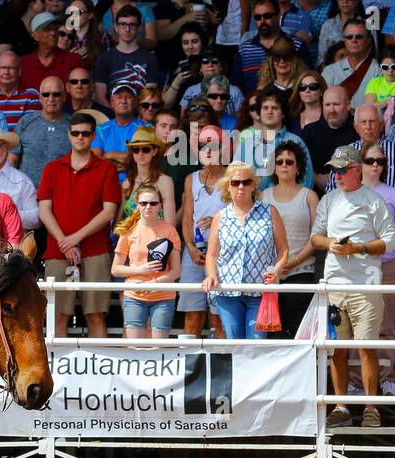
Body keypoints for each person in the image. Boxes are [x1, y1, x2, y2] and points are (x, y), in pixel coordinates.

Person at [312, 146, 395, 429]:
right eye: (333, 170)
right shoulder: (329, 199)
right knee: (337, 348)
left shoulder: (374, 200)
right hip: (335, 284)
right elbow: (316, 238)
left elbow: (392, 240)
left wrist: (358, 247)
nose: (335, 175)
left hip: (366, 286)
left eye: (341, 170)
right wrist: (331, 244)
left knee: (366, 348)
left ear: (357, 169)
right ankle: (341, 406)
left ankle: (371, 408)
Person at [38, 112, 120, 338]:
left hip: (95, 250)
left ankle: (100, 371)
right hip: (57, 251)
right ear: (69, 135)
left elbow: (109, 212)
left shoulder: (106, 169)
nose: (80, 138)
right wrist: (66, 242)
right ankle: (57, 372)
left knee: (96, 315)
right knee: (58, 316)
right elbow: (44, 210)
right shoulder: (52, 168)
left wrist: (74, 239)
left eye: (85, 133)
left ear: (94, 135)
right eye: (75, 133)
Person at [350, 141, 395, 397]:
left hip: (387, 264)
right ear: (360, 164)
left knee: (385, 327)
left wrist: (383, 223)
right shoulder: (350, 193)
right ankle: (355, 383)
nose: (376, 166)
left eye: (380, 162)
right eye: (370, 161)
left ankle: (388, 380)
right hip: (357, 265)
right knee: (357, 326)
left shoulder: (394, 194)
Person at [202, 161, 289, 339]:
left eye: (246, 182)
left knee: (256, 344)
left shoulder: (270, 212)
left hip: (259, 291)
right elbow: (211, 255)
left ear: (253, 185)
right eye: (235, 182)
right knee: (234, 344)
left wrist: (276, 271)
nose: (240, 186)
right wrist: (211, 276)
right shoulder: (220, 217)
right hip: (227, 291)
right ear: (228, 186)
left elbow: (283, 249)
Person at [260, 142, 319, 339]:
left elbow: (315, 237)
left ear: (298, 167)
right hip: (268, 275)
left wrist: (294, 262)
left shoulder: (309, 196)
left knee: (296, 333)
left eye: (289, 161)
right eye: (279, 161)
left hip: (301, 272)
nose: (284, 165)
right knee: (271, 334)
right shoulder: (262, 196)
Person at [112, 183, 182, 339]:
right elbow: (116, 269)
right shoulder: (129, 231)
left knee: (159, 348)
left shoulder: (169, 230)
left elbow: (176, 271)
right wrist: (140, 270)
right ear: (137, 205)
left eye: (153, 203)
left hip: (163, 296)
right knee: (133, 348)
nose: (148, 207)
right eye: (143, 203)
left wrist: (154, 283)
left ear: (160, 205)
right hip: (134, 295)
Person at [180, 124, 229, 339]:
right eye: (202, 146)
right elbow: (187, 217)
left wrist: (219, 220)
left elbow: (244, 214)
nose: (208, 151)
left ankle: (224, 369)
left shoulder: (233, 178)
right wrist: (190, 247)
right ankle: (191, 370)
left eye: (214, 146)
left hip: (224, 255)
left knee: (220, 318)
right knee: (193, 316)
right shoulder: (190, 178)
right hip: (194, 254)